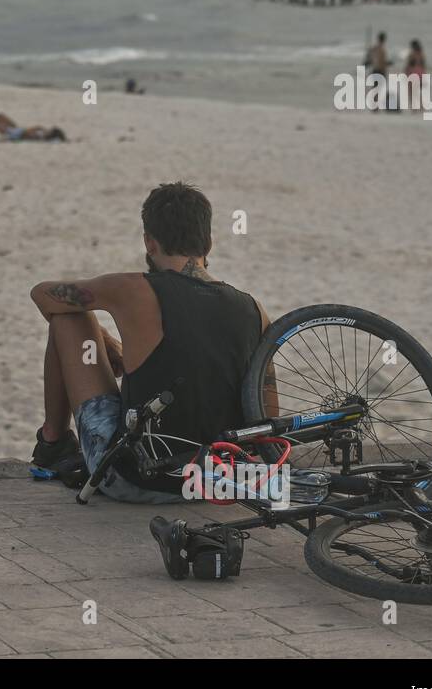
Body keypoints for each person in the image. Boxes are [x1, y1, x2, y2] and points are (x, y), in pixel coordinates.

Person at [28, 183, 274, 502]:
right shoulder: (254, 309)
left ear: (149, 242)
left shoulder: (133, 289)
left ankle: (53, 440)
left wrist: (106, 343)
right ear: (209, 243)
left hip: (138, 480)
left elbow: (43, 295)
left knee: (72, 317)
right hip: (222, 481)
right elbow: (267, 416)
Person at [0, 113, 66, 142]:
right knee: (0, 116)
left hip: (15, 134)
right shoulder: (42, 133)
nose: (48, 129)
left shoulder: (40, 137)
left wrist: (36, 128)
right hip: (18, 129)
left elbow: (25, 134)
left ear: (51, 133)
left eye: (50, 130)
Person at [364, 31, 390, 112]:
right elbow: (383, 62)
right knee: (378, 89)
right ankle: (375, 107)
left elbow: (369, 57)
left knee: (375, 89)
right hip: (381, 70)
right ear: (384, 39)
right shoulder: (383, 50)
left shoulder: (374, 48)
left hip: (375, 70)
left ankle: (374, 106)